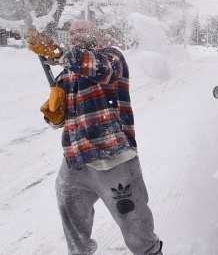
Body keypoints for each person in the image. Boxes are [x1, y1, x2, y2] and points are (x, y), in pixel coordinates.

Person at [28, 21, 163, 255]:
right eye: (72, 32)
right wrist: (53, 114)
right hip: (76, 160)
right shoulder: (67, 73)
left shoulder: (110, 58)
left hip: (112, 157)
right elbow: (61, 119)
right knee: (67, 202)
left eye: (82, 30)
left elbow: (97, 68)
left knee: (134, 224)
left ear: (98, 34)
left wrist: (60, 53)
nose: (76, 35)